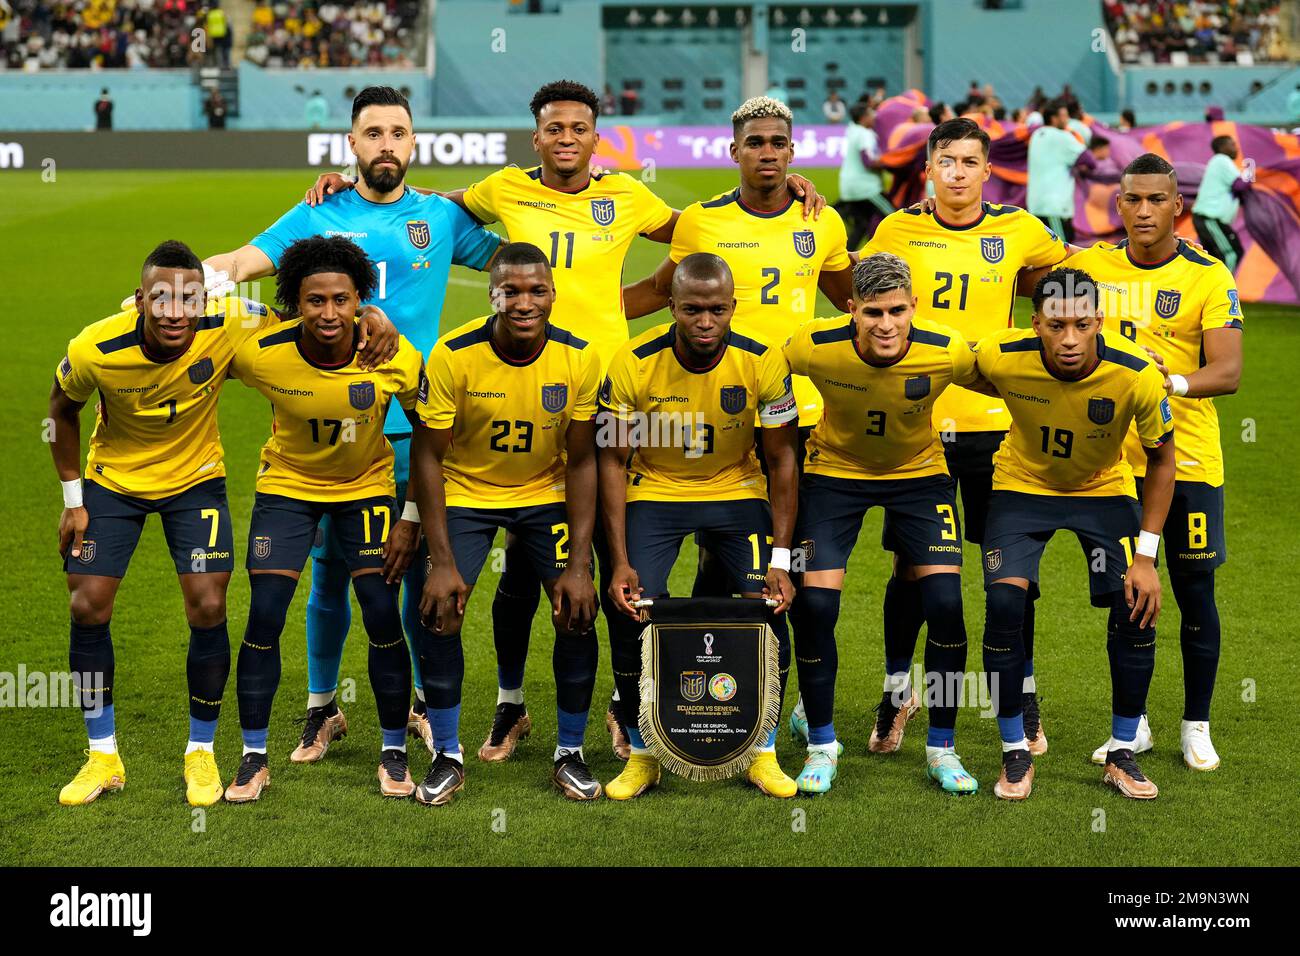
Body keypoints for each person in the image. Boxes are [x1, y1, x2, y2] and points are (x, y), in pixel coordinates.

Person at [304, 80, 824, 763]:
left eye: (579, 128)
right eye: (555, 129)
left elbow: (704, 235)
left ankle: (624, 702)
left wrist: (787, 191)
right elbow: (422, 209)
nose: (567, 138)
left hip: (615, 394)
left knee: (617, 558)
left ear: (595, 137)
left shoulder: (629, 196)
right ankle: (512, 705)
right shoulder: (504, 190)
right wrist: (349, 187)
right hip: (530, 388)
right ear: (538, 137)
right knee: (521, 569)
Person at [204, 86, 502, 765]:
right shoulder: (318, 213)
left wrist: (469, 194)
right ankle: (321, 708)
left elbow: (521, 255)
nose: (387, 143)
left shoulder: (440, 217)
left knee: (413, 570)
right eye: (374, 133)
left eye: (398, 131)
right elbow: (241, 264)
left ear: (414, 143)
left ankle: (423, 703)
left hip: (420, 427)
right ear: (352, 144)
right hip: (338, 430)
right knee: (332, 574)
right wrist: (179, 286)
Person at [49, 240, 372, 807]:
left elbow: (314, 317)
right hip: (113, 482)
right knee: (87, 605)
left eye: (188, 298)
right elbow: (61, 407)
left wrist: (374, 315)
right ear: (140, 301)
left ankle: (201, 751)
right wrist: (74, 498)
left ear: (205, 299)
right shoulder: (96, 346)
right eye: (161, 299)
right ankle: (102, 755)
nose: (175, 312)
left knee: (208, 605)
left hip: (196, 480)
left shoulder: (232, 321)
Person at [832, 117, 1069, 758]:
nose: (958, 172)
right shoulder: (896, 229)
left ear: (988, 170)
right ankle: (895, 690)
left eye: (970, 161)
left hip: (999, 426)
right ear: (929, 168)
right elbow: (862, 302)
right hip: (918, 427)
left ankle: (1019, 691)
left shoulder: (1020, 230)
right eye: (947, 161)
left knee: (1012, 573)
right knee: (914, 570)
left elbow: (1064, 284)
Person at [223, 236, 425, 803]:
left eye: (342, 300)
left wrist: (410, 515)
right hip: (287, 488)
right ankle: (253, 757)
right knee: (264, 613)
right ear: (296, 302)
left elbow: (434, 434)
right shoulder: (261, 350)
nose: (329, 313)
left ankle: (392, 750)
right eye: (315, 301)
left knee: (383, 611)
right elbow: (195, 318)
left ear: (361, 299)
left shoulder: (391, 354)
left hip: (365, 489)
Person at [599, 253, 800, 800]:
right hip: (656, 490)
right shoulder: (631, 361)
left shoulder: (763, 360)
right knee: (630, 605)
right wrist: (617, 559)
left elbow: (783, 460)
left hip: (737, 489)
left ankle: (763, 749)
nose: (705, 321)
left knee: (768, 607)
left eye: (716, 309)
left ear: (733, 307)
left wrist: (782, 562)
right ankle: (643, 752)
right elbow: (612, 462)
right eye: (692, 309)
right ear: (671, 307)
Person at [1068, 153, 1243, 771]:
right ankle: (1133, 723)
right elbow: (1009, 264)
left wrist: (1172, 385)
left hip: (1189, 459)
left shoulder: (1208, 274)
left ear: (1177, 206)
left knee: (1196, 590)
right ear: (1119, 205)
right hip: (1114, 466)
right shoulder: (1089, 264)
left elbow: (1229, 370)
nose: (1144, 211)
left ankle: (1196, 724)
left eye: (1156, 201)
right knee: (1126, 595)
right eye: (1133, 200)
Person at [410, 242, 602, 805]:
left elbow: (584, 458)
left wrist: (581, 563)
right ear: (491, 294)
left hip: (545, 493)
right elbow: (427, 455)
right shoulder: (453, 354)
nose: (524, 302)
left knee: (575, 612)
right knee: (439, 610)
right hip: (467, 492)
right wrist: (441, 561)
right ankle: (448, 754)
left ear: (553, 295)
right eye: (510, 291)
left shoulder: (580, 358)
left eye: (536, 290)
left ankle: (570, 753)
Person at [974, 267, 1175, 801]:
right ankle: (1016, 750)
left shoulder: (1136, 374)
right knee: (1003, 605)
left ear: (1099, 323)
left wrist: (1148, 556)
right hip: (1021, 487)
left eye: (1082, 325)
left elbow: (1161, 460)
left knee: (1135, 604)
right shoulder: (998, 354)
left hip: (1103, 491)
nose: (1068, 339)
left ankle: (1122, 751)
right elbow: (930, 360)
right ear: (1034, 322)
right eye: (1056, 324)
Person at [784, 253, 979, 796]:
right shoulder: (813, 345)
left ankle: (942, 748)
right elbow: (756, 370)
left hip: (919, 476)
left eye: (897, 311)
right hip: (834, 475)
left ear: (915, 307)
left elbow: (1006, 373)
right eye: (873, 312)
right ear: (851, 310)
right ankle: (822, 742)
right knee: (816, 606)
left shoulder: (947, 350)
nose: (887, 324)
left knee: (945, 607)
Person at [1027, 99, 1087, 243]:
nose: (1067, 120)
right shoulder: (1062, 137)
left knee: (1044, 257)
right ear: (1054, 118)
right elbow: (1089, 159)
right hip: (1054, 208)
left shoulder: (1036, 134)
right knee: (1063, 254)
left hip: (1036, 206)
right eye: (1064, 116)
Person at [837, 103, 894, 249]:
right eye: (870, 114)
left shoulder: (853, 129)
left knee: (862, 225)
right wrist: (892, 164)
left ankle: (848, 259)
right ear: (863, 118)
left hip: (848, 186)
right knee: (893, 216)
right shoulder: (864, 134)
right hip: (865, 188)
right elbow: (868, 161)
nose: (874, 116)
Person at [1192, 135, 1250, 272]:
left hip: (1209, 220)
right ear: (1222, 147)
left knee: (1213, 259)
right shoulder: (1221, 160)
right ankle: (1224, 292)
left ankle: (1208, 291)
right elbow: (1240, 185)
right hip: (1210, 219)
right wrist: (1255, 176)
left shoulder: (1218, 162)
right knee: (1232, 254)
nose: (1236, 148)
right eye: (1232, 144)